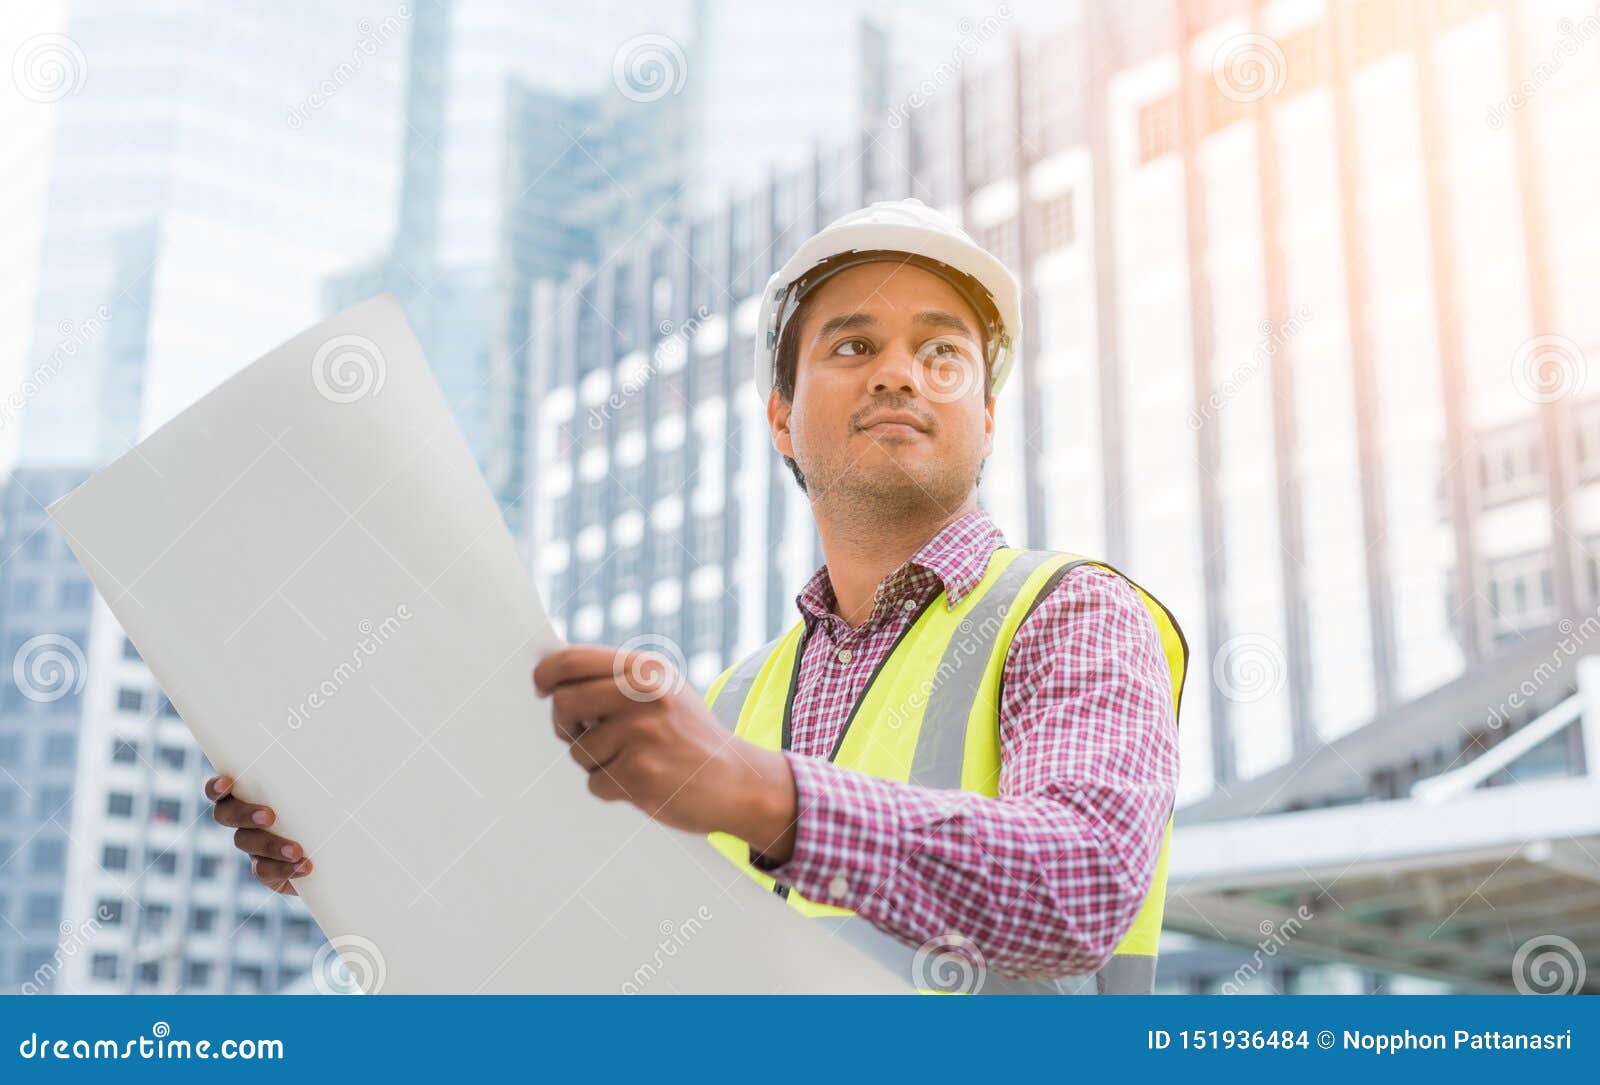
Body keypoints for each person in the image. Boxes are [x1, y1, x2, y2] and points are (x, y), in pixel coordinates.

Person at [205, 198, 1184, 994]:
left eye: (941, 353)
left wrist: (752, 790)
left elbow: (1083, 879)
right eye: (851, 346)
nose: (898, 371)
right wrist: (350, 847)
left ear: (985, 417)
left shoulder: (1073, 613)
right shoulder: (724, 706)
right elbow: (583, 957)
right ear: (781, 420)